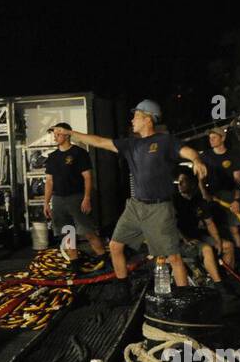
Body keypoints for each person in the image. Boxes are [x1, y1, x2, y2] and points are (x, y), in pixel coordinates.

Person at [69, 100, 208, 289]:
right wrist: (71, 134)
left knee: (173, 257)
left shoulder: (165, 141)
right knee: (116, 246)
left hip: (159, 208)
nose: (132, 120)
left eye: (136, 116)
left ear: (147, 118)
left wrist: (197, 160)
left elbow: (188, 151)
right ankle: (123, 289)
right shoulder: (130, 144)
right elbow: (100, 142)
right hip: (135, 206)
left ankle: (183, 296)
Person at [43, 123, 106, 256]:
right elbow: (49, 181)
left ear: (67, 134)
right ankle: (75, 266)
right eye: (54, 133)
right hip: (59, 200)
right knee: (67, 235)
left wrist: (87, 198)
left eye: (58, 133)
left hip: (76, 198)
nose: (55, 136)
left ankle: (105, 261)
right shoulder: (52, 157)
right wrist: (46, 203)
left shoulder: (79, 153)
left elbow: (87, 177)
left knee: (88, 232)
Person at [173, 169, 227, 285]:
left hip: (197, 235)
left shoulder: (199, 201)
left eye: (183, 181)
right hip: (180, 239)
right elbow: (170, 224)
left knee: (228, 246)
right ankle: (220, 285)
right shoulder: (174, 201)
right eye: (179, 181)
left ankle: (225, 277)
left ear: (192, 184)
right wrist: (185, 238)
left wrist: (218, 241)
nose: (180, 184)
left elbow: (209, 223)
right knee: (206, 249)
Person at [199, 126, 240, 251]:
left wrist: (237, 200)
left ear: (223, 138)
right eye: (210, 138)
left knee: (234, 228)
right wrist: (204, 194)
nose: (211, 140)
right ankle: (223, 253)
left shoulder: (233, 155)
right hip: (213, 196)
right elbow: (200, 178)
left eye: (214, 137)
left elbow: (238, 179)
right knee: (216, 226)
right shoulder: (205, 156)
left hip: (229, 195)